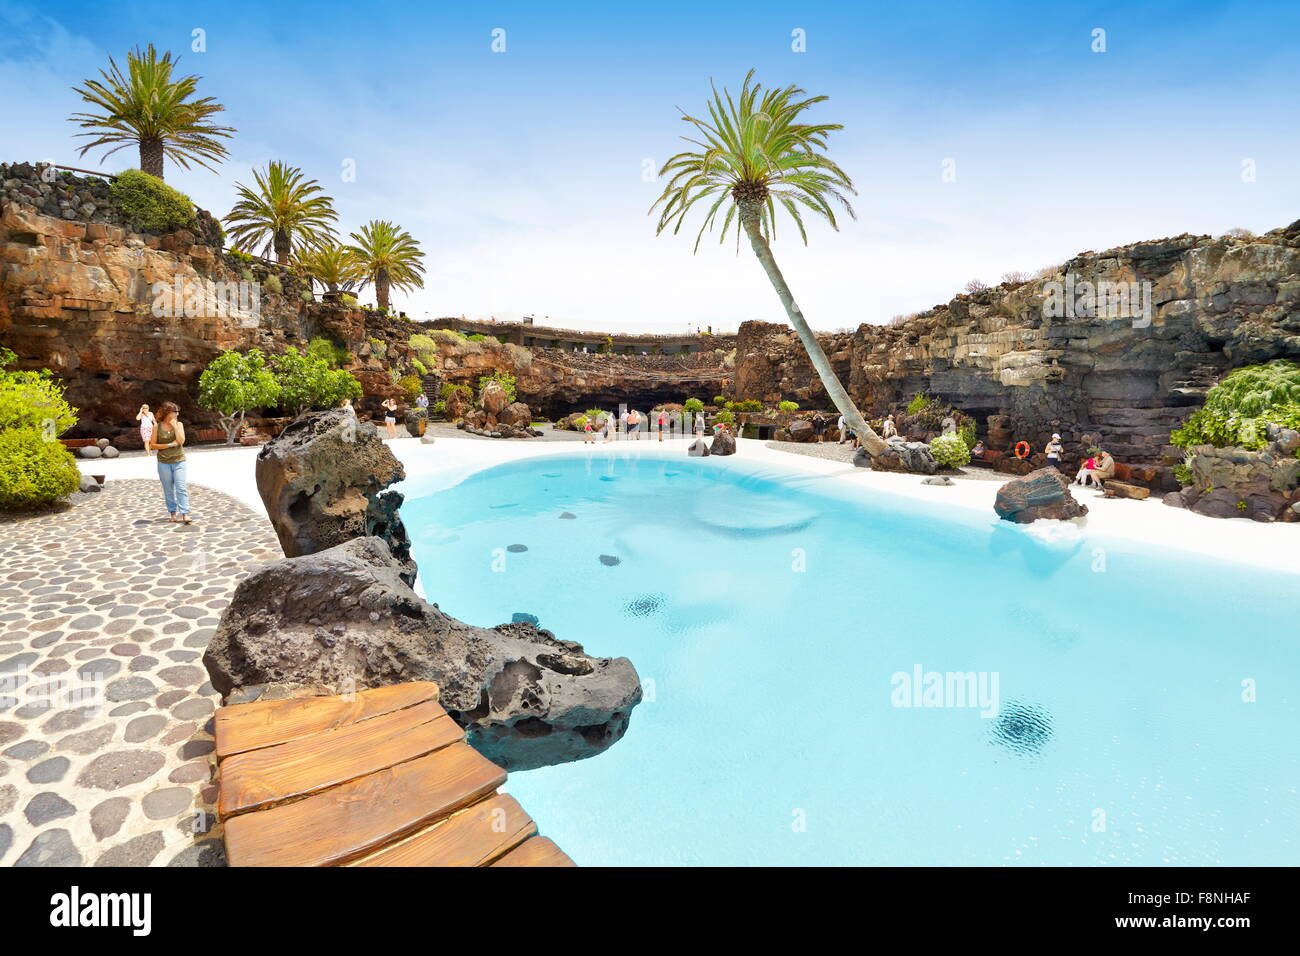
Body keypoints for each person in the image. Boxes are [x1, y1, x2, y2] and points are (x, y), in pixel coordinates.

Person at [150, 401, 191, 524]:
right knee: (168, 489)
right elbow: (153, 445)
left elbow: (181, 440)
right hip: (163, 462)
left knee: (181, 487)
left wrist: (175, 426)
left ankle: (185, 514)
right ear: (168, 412)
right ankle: (172, 514)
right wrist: (168, 445)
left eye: (178, 411)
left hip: (179, 460)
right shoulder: (157, 427)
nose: (177, 414)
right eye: (175, 412)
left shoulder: (179, 424)